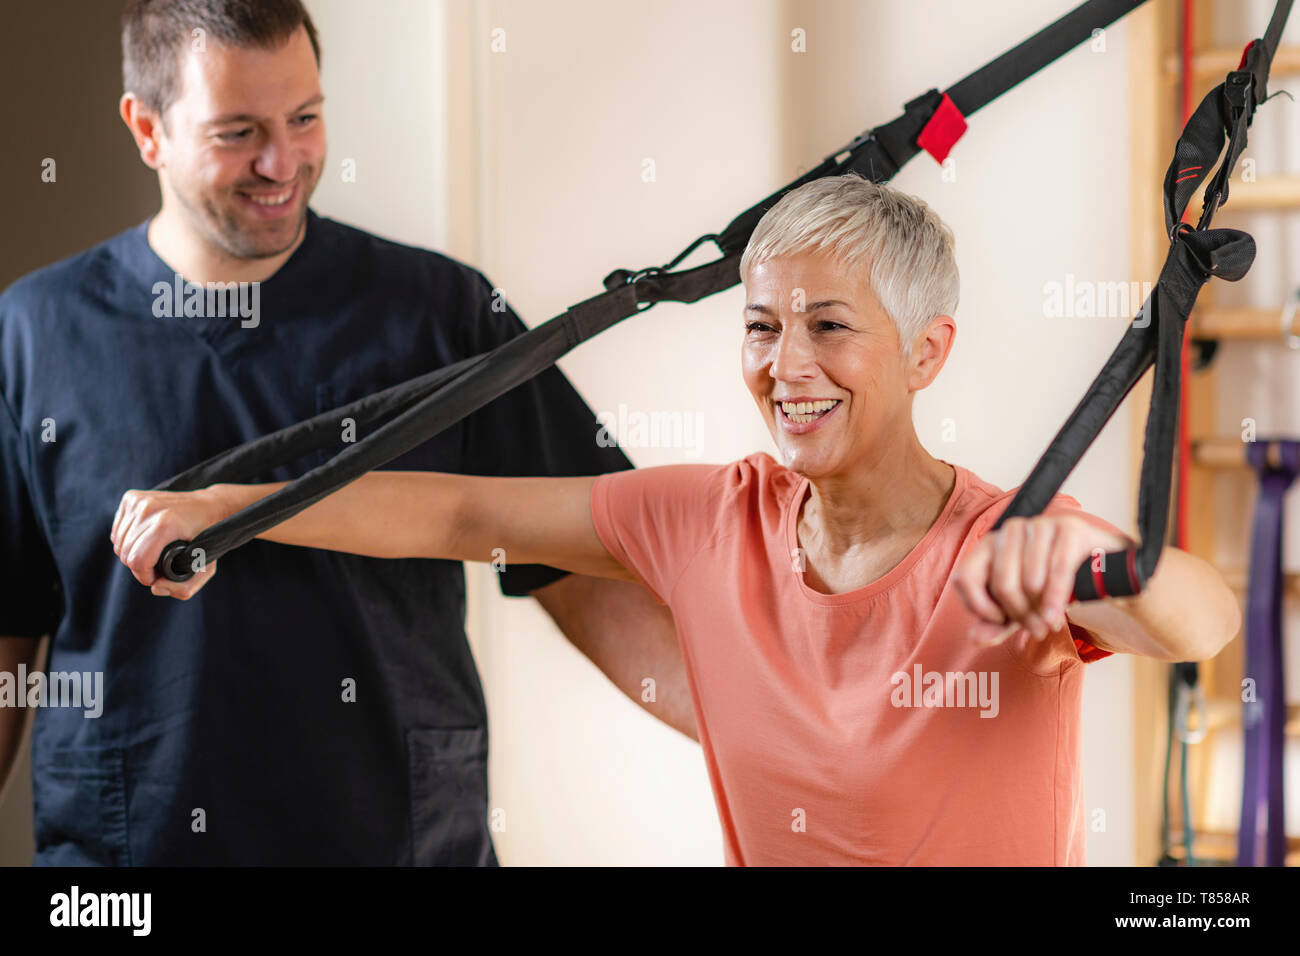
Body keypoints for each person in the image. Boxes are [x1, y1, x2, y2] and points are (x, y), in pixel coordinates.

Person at [115, 173, 1242, 866]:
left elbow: (1199, 617)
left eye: (830, 327)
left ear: (926, 350)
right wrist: (227, 508)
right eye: (760, 326)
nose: (785, 365)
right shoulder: (712, 517)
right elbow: (456, 508)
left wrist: (1115, 571)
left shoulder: (1010, 545)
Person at [0, 0, 693, 866]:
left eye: (305, 118)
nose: (281, 163)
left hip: (395, 839)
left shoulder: (440, 315)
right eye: (237, 131)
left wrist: (786, 739)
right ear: (147, 129)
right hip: (126, 867)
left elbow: (589, 566)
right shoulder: (33, 334)